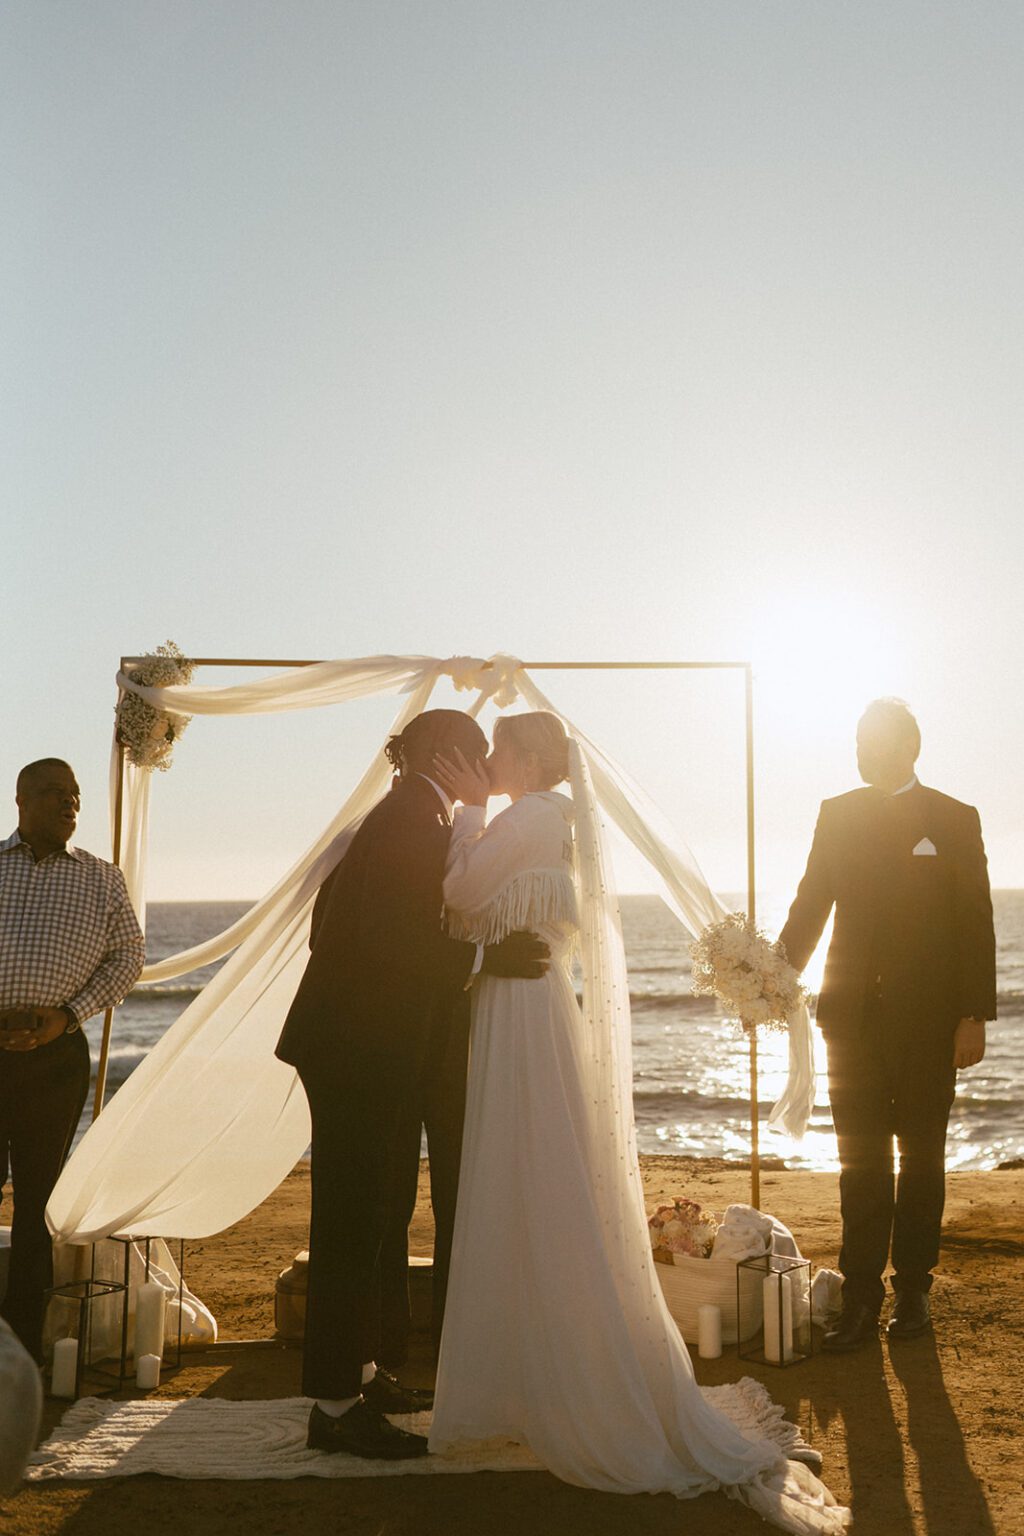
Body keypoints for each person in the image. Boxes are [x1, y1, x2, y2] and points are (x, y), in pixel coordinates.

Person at [429, 713, 848, 1535]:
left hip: (520, 1013)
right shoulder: (552, 821)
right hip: (523, 1006)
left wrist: (471, 810)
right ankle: (527, 1376)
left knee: (528, 1173)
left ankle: (549, 1384)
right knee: (526, 1175)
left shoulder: (532, 814)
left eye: (503, 750)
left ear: (536, 759)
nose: (491, 760)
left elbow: (459, 894)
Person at [275, 710, 549, 1462]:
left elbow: (351, 920)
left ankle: (361, 1375)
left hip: (359, 1047)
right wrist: (482, 962)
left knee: (366, 1218)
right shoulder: (409, 817)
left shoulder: (415, 812)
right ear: (443, 753)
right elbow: (389, 938)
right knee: (348, 1225)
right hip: (356, 1051)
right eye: (477, 748)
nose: (489, 761)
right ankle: (335, 1409)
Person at [778, 699, 996, 1351]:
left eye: (872, 740)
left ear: (908, 745)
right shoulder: (836, 814)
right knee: (861, 1161)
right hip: (849, 1021)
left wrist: (973, 1015)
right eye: (856, 741)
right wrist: (772, 974)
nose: (860, 751)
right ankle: (861, 1296)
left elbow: (975, 921)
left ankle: (914, 1293)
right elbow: (812, 899)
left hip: (931, 1025)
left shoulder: (955, 819)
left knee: (923, 1157)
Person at [0, 759, 144, 1361]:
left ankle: (21, 1351)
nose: (70, 803)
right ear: (21, 799)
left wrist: (67, 1015)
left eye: (76, 796)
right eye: (56, 793)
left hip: (56, 1057)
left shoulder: (102, 879)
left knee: (38, 1200)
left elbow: (128, 958)